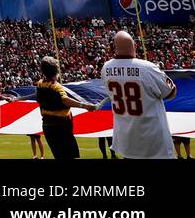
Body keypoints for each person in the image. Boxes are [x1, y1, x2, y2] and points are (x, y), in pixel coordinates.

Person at [99, 31, 177, 160]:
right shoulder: (147, 67)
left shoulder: (106, 68)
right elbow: (170, 93)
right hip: (153, 141)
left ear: (114, 48)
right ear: (135, 45)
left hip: (126, 142)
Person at [33, 56, 90, 161]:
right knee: (73, 156)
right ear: (56, 70)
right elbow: (65, 100)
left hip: (47, 126)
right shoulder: (56, 86)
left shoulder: (40, 84)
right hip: (62, 126)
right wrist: (84, 106)